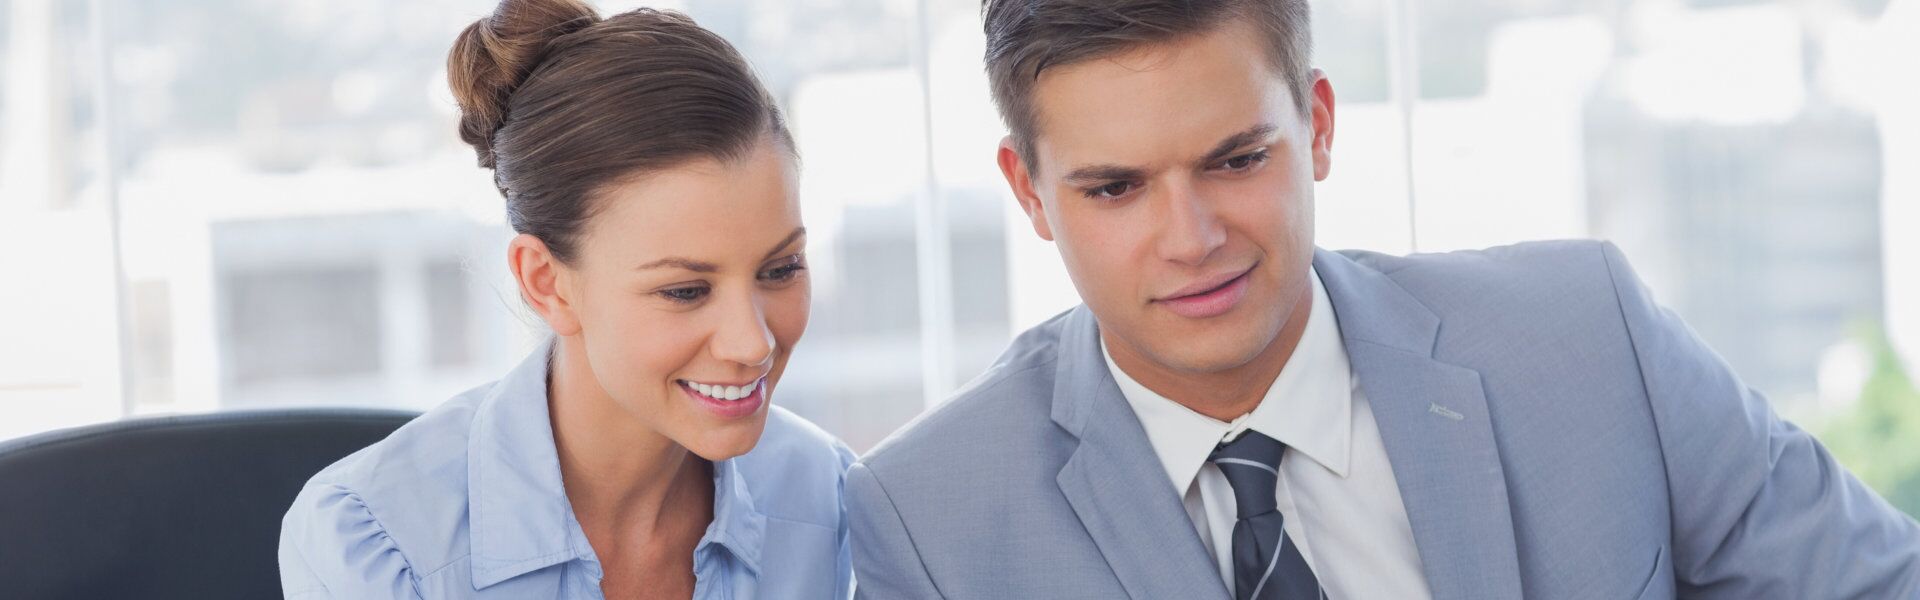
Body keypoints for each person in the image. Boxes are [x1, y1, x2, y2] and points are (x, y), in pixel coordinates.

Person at [845, 0, 1920, 598]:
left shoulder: (1591, 339)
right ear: (1029, 193)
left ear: (1317, 125)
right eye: (1116, 188)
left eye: (1236, 159)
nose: (1192, 239)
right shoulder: (932, 524)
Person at [278, 2, 854, 598]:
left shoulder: (824, 494)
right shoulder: (376, 545)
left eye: (781, 269)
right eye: (685, 291)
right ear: (546, 283)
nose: (752, 343)